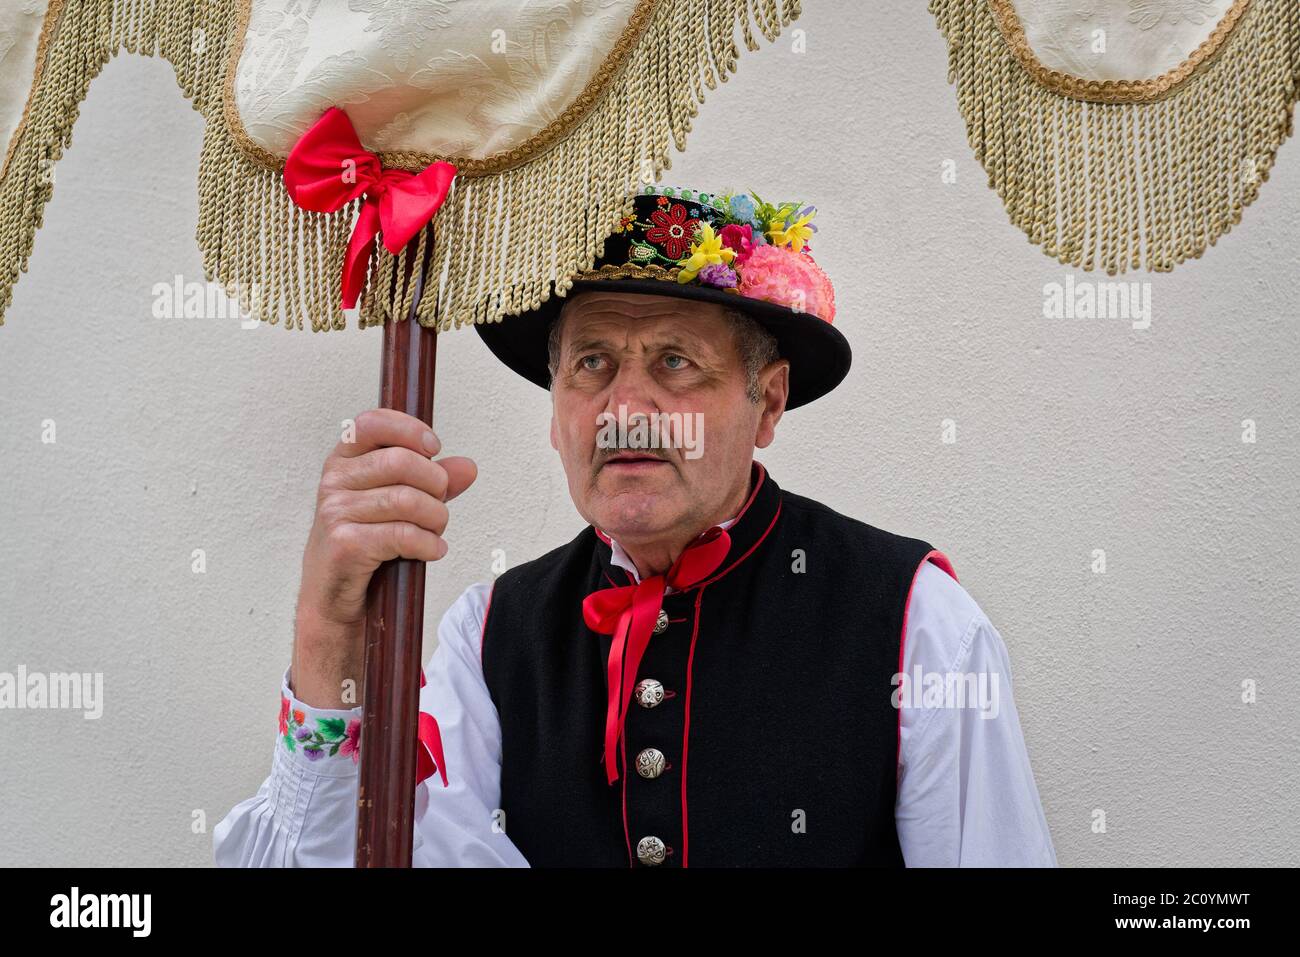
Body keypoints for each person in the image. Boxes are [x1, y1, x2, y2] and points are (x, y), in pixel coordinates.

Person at [214, 184, 1056, 867]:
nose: (624, 408)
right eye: (593, 363)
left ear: (767, 403)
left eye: (674, 362)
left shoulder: (917, 623)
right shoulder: (487, 635)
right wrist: (329, 629)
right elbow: (360, 857)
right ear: (557, 414)